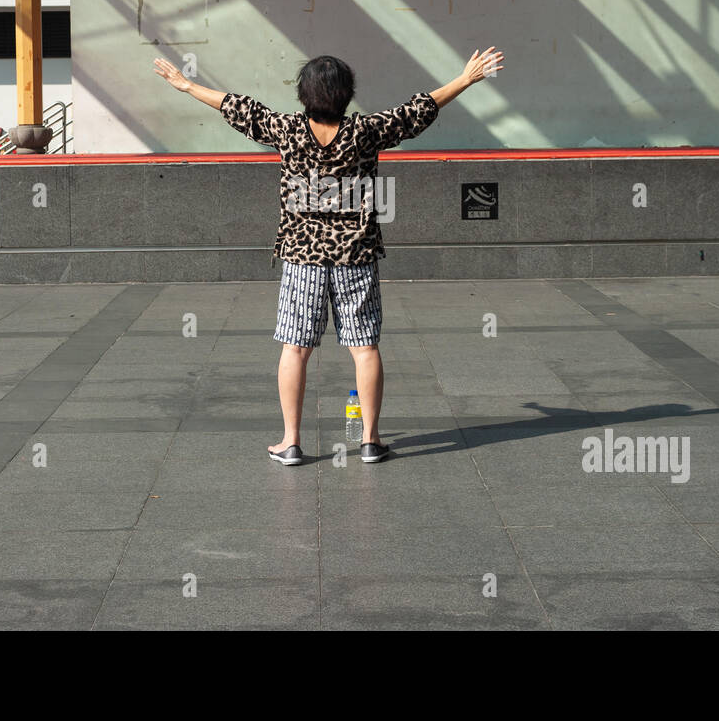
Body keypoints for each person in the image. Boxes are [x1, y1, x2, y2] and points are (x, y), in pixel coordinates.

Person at [152, 47, 505, 465]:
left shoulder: (286, 130)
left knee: (295, 349)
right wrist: (465, 79)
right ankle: (370, 441)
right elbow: (418, 111)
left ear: (304, 95)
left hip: (303, 256)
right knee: (365, 347)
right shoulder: (366, 131)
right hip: (355, 254)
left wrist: (186, 84)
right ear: (347, 94)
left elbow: (238, 108)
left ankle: (291, 442)